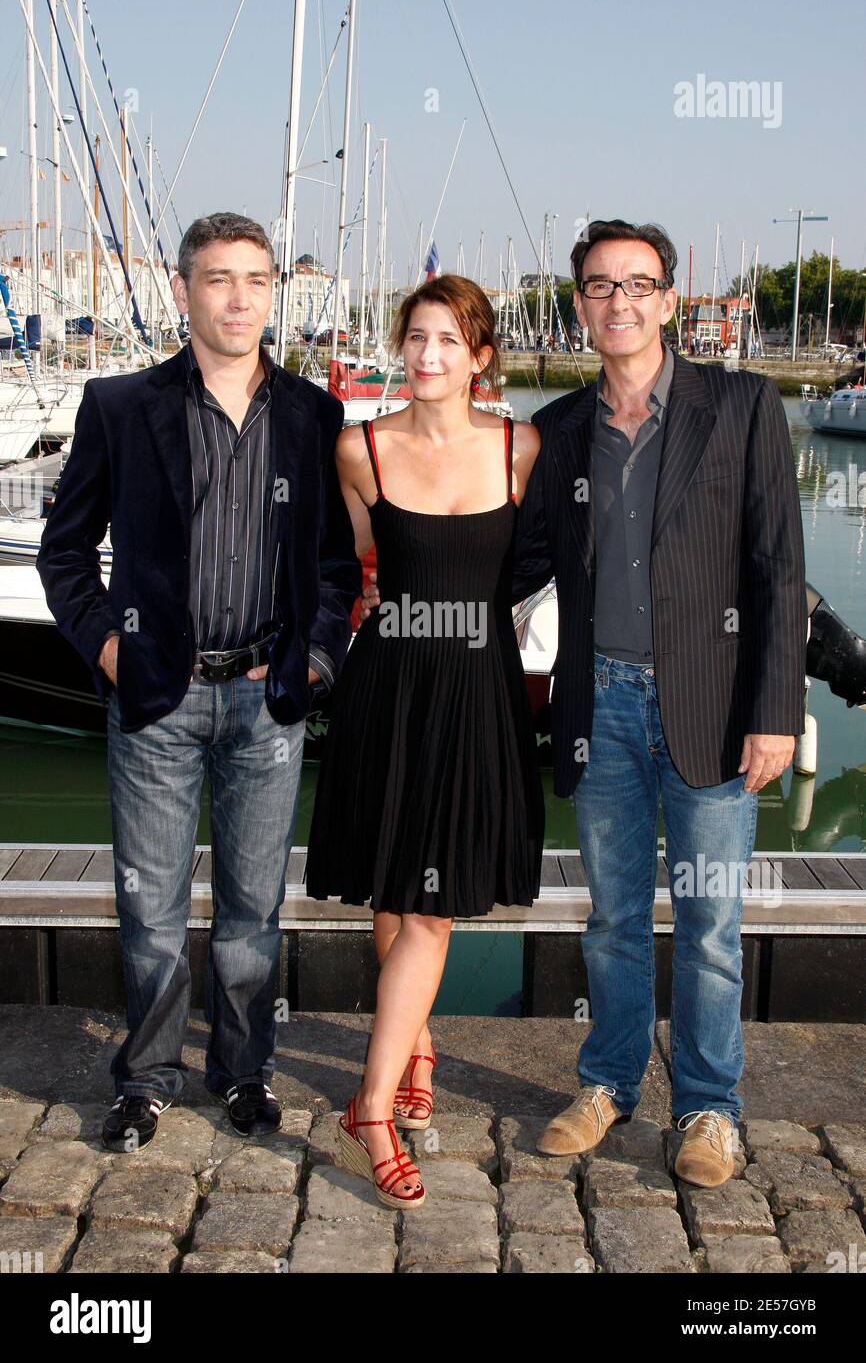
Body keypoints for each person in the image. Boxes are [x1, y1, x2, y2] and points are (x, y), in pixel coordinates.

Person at [363, 219, 806, 1189]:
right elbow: (506, 566)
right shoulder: (555, 430)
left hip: (714, 707)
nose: (618, 302)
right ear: (578, 305)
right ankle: (605, 1083)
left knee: (708, 925)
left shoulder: (740, 407)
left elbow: (777, 566)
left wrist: (774, 707)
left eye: (636, 283)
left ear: (667, 298)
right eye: (599, 286)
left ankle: (706, 1108)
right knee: (609, 918)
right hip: (593, 701)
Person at [37, 212, 360, 1151]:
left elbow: (336, 570)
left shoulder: (311, 416)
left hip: (267, 702)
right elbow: (65, 556)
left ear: (272, 292)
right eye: (218, 278)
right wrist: (110, 652)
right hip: (156, 703)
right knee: (150, 907)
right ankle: (144, 1079)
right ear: (184, 290)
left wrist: (313, 661)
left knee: (254, 911)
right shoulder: (119, 406)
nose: (238, 297)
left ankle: (243, 1070)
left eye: (255, 279)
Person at [306, 274, 544, 1208]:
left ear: (481, 355)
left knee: (431, 906)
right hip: (390, 684)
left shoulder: (523, 450)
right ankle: (389, 1083)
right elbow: (358, 565)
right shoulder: (359, 449)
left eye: (450, 340)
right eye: (416, 338)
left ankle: (377, 1088)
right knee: (395, 880)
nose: (429, 356)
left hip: (479, 687)